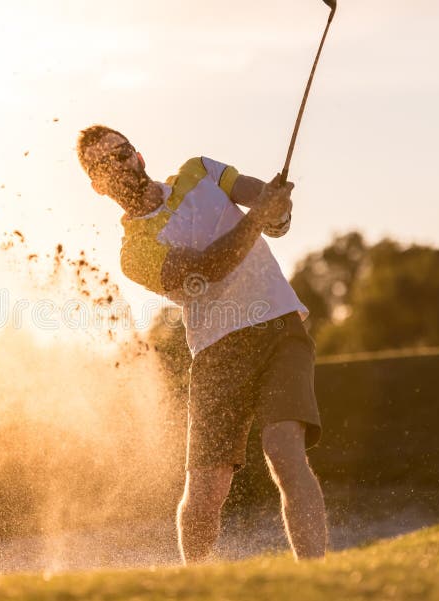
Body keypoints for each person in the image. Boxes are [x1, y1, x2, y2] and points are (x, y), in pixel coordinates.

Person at [76, 125, 327, 563]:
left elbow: (267, 207)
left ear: (139, 154)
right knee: (206, 491)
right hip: (215, 352)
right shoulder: (134, 252)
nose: (121, 162)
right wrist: (259, 216)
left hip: (277, 326)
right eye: (106, 162)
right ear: (98, 185)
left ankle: (316, 581)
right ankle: (195, 585)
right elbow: (209, 268)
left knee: (284, 450)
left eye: (123, 150)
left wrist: (277, 211)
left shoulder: (201, 170)